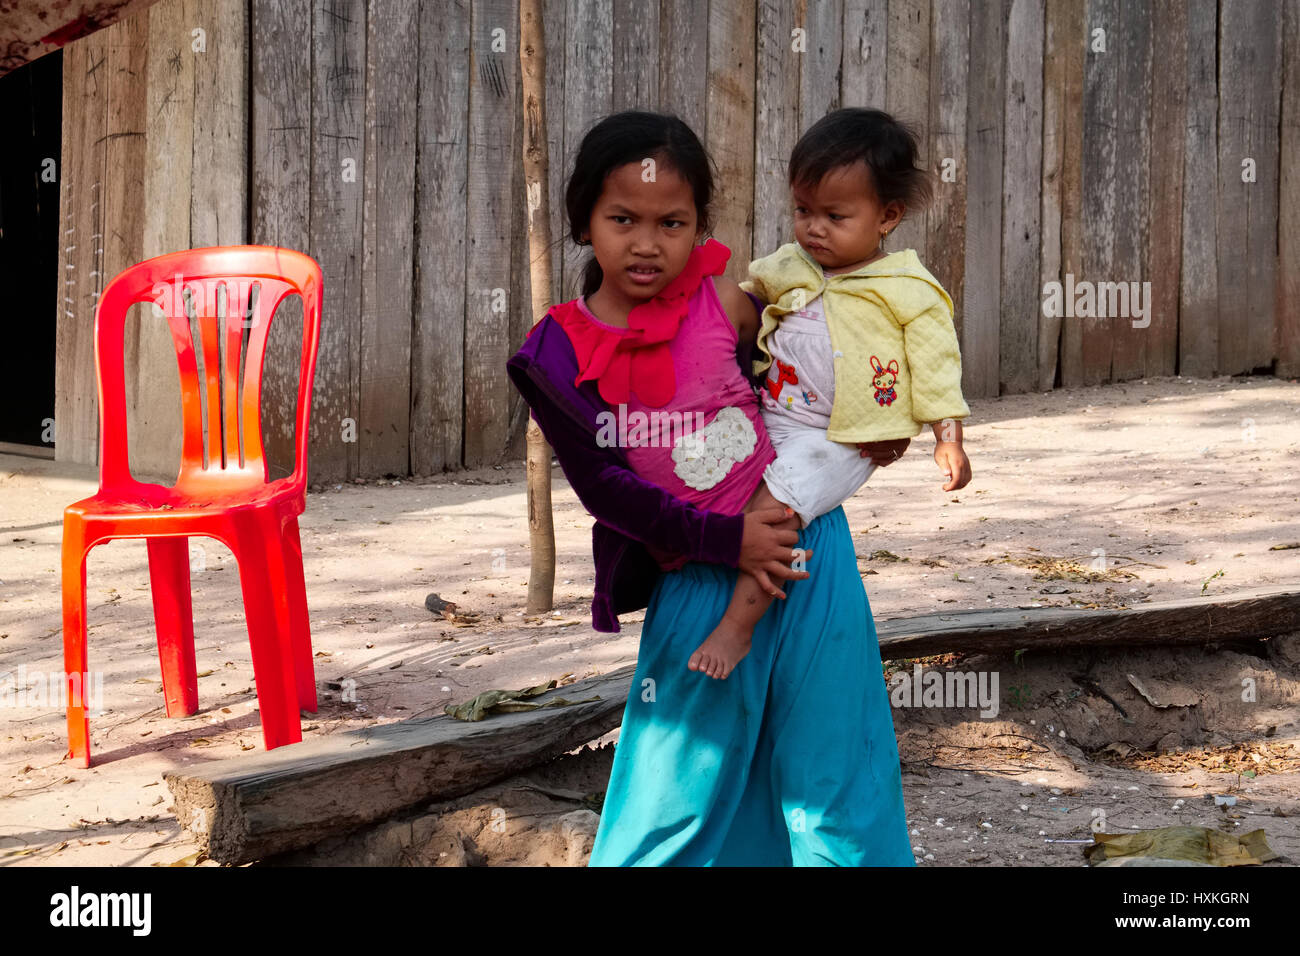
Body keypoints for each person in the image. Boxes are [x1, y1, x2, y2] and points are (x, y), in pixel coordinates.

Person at [507, 110, 914, 865]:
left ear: (699, 227)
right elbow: (604, 489)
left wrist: (877, 419)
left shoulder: (730, 305)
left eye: (673, 221)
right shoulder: (555, 352)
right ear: (583, 219)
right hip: (700, 575)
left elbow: (814, 375)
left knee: (838, 780)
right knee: (675, 794)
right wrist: (729, 540)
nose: (647, 241)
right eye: (622, 217)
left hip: (808, 556)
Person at [688, 106, 974, 680]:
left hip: (842, 438)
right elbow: (745, 296)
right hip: (773, 414)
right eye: (802, 210)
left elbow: (937, 365)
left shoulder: (908, 289)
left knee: (774, 510)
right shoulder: (792, 265)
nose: (813, 228)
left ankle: (738, 627)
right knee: (697, 469)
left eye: (835, 215)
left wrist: (948, 438)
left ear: (887, 216)